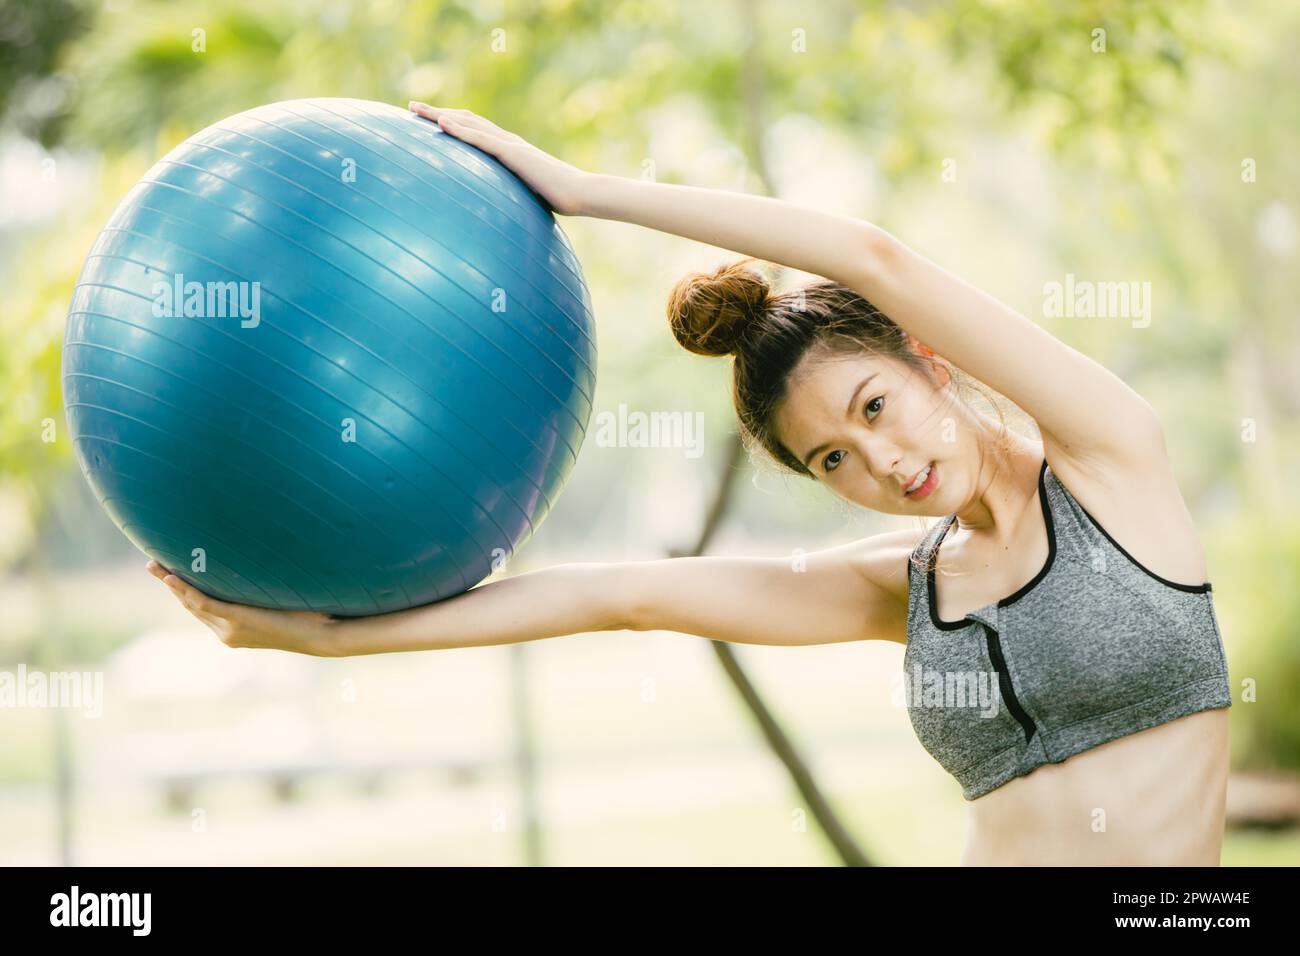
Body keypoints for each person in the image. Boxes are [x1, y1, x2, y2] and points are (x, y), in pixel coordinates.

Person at [148, 102, 1233, 866]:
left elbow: (873, 257)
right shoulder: (898, 588)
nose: (881, 464)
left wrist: (583, 192)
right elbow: (621, 596)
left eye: (871, 407)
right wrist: (331, 640)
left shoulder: (1110, 463)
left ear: (926, 360)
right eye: (832, 461)